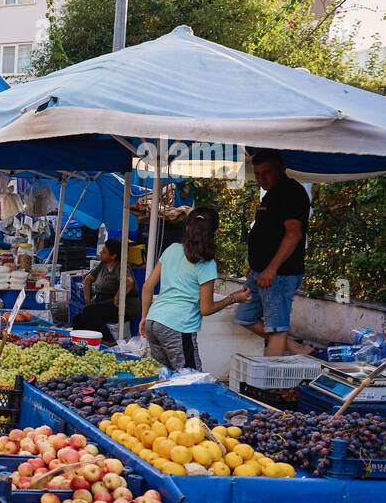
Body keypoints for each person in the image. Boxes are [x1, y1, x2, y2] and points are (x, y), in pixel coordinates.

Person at [140, 208, 251, 370]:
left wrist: (144, 317)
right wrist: (233, 298)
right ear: (215, 232)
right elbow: (206, 309)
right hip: (177, 326)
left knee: (163, 377)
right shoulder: (206, 264)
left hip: (153, 322)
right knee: (191, 379)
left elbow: (147, 286)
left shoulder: (171, 249)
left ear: (187, 227)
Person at [236, 149, 313, 356]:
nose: (261, 179)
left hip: (280, 274)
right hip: (259, 272)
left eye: (266, 173)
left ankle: (269, 384)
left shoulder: (291, 192)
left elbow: (293, 234)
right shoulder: (271, 195)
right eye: (258, 174)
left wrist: (271, 269)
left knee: (276, 329)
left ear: (282, 169)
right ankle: (295, 348)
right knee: (245, 317)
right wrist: (256, 265)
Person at [73, 239, 139, 342]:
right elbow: (88, 280)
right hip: (104, 302)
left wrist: (117, 298)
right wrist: (88, 300)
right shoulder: (103, 265)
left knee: (90, 311)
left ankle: (108, 341)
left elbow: (129, 282)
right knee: (78, 318)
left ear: (113, 256)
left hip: (125, 306)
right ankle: (83, 342)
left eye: (104, 251)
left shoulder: (121, 266)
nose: (100, 253)